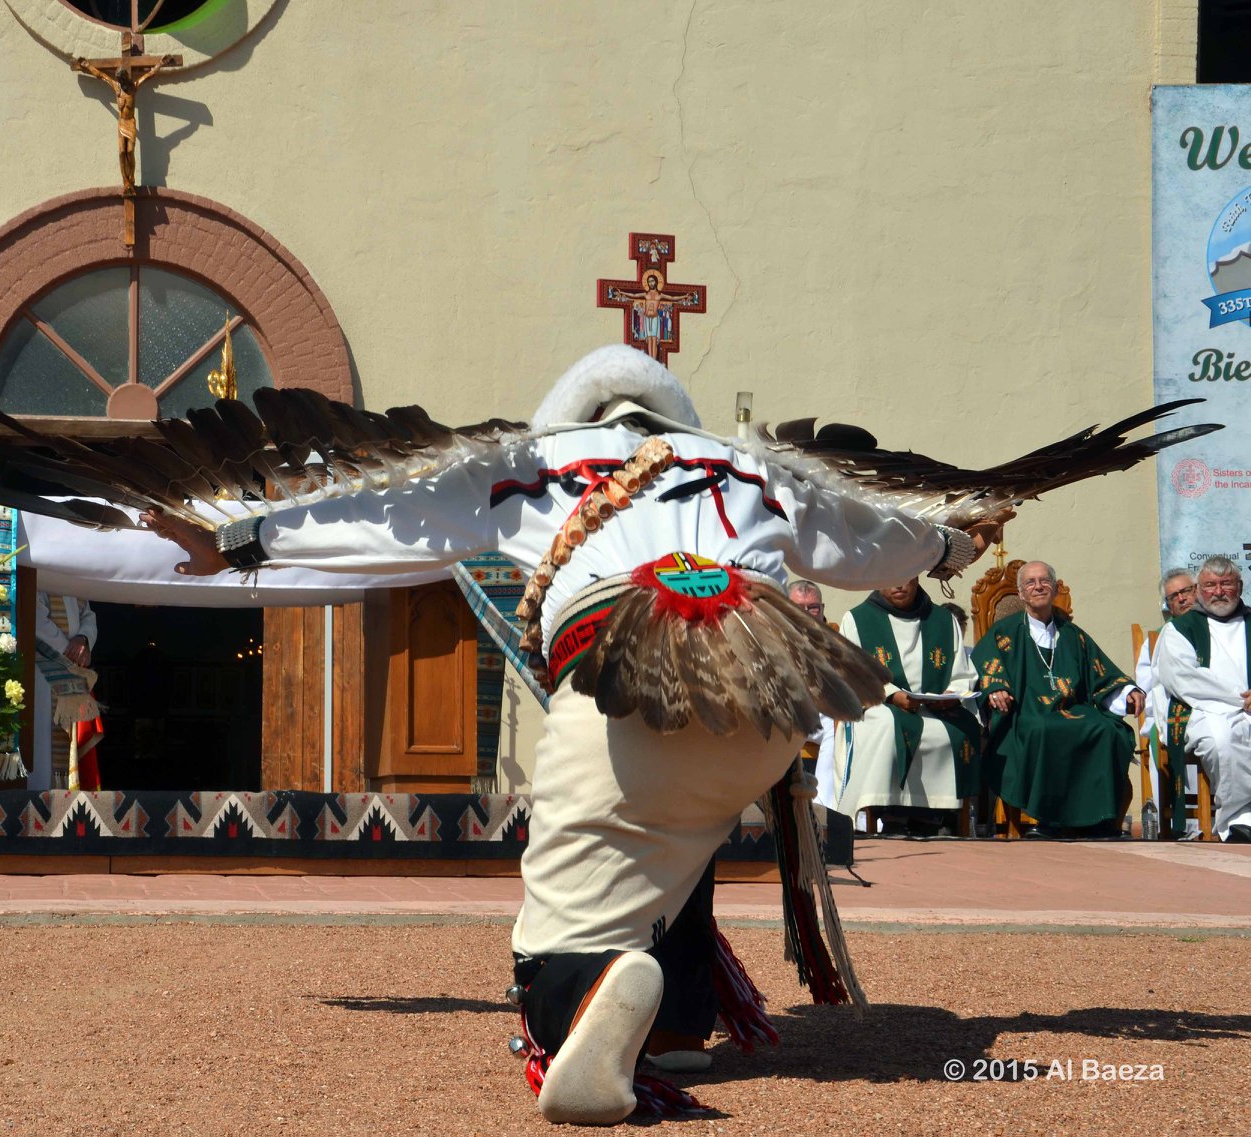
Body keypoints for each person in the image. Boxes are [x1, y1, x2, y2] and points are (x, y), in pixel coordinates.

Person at [145, 346, 997, 1123]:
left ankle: (590, 995)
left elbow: (392, 517)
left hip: (630, 681)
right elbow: (866, 546)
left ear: (570, 415)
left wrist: (239, 538)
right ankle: (673, 1024)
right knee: (680, 842)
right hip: (772, 676)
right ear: (672, 415)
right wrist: (952, 544)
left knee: (561, 932)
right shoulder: (747, 466)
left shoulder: (532, 463)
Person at [972, 560, 1142, 838]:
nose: (1038, 586)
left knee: (1108, 730)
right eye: (1031, 582)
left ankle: (1099, 821)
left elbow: (1103, 672)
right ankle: (1047, 820)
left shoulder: (1073, 634)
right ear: (1021, 593)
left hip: (1072, 709)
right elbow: (984, 664)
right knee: (1044, 730)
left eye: (1044, 581)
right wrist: (995, 687)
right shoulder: (1005, 633)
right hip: (1025, 713)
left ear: (1054, 588)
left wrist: (1128, 691)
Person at [833, 577, 979, 837]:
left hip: (933, 708)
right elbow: (852, 673)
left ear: (917, 579)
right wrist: (892, 695)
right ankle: (891, 815)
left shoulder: (943, 620)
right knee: (888, 725)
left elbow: (962, 674)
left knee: (958, 728)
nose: (899, 585)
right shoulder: (857, 619)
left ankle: (934, 817)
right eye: (892, 578)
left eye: (906, 578)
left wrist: (951, 694)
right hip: (877, 703)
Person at [1155, 555, 1251, 843]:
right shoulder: (1180, 629)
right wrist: (1240, 700)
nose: (1218, 591)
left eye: (1226, 584)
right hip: (1201, 708)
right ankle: (1238, 820)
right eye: (1210, 585)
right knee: (1221, 740)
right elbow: (1183, 679)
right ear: (1198, 590)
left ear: (1241, 586)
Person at [1138, 567, 1197, 835]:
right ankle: (1182, 823)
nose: (1182, 599)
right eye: (1174, 596)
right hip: (1172, 714)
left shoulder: (1221, 629)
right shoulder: (1159, 637)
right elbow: (1146, 689)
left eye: (1186, 591)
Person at [30, 590, 99, 790]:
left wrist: (84, 639)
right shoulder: (42, 575)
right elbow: (36, 619)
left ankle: (65, 797)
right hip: (44, 670)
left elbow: (89, 615)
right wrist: (70, 651)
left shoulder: (73, 580)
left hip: (72, 671)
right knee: (43, 746)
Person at [787, 580, 840, 810]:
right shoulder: (770, 635)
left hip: (822, 715)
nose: (806, 614)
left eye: (813, 608)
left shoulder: (838, 639)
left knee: (837, 726)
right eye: (798, 608)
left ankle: (824, 806)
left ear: (822, 609)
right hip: (786, 710)